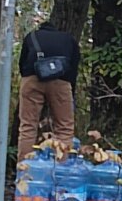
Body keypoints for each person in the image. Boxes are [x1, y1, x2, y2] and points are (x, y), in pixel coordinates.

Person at [17, 20, 81, 162]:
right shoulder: (68, 39)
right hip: (61, 81)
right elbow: (74, 66)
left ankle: (24, 171)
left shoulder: (31, 36)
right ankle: (59, 170)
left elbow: (22, 64)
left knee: (28, 126)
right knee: (64, 128)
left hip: (32, 79)